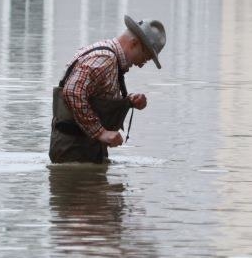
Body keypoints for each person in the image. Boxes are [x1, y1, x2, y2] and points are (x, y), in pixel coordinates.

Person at [49, 15, 166, 163]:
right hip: (74, 152)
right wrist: (101, 132)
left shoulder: (109, 57)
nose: (142, 64)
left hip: (79, 151)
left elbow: (95, 95)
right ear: (134, 43)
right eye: (145, 57)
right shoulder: (106, 59)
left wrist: (129, 100)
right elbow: (73, 92)